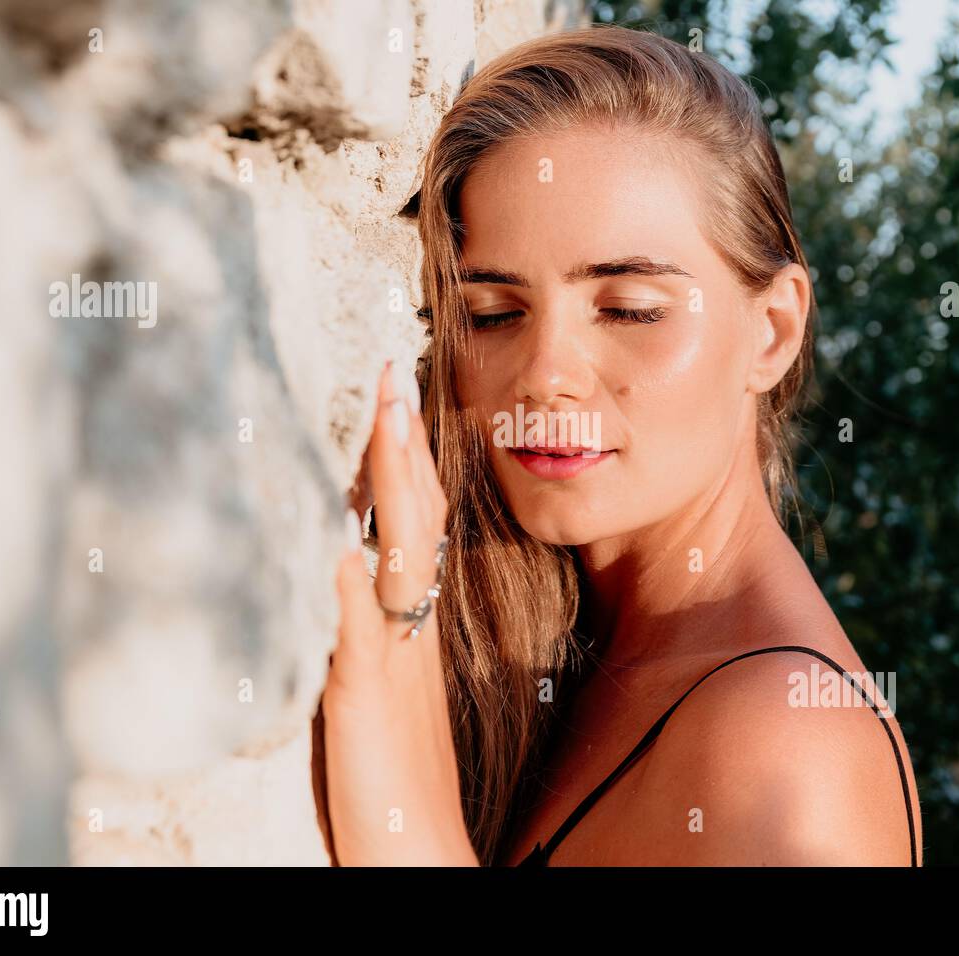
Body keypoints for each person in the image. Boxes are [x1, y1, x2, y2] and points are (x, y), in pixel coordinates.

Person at [320, 24, 923, 867]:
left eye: (630, 308)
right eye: (493, 313)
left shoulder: (788, 739)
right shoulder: (578, 650)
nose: (545, 375)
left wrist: (398, 736)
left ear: (772, 331)